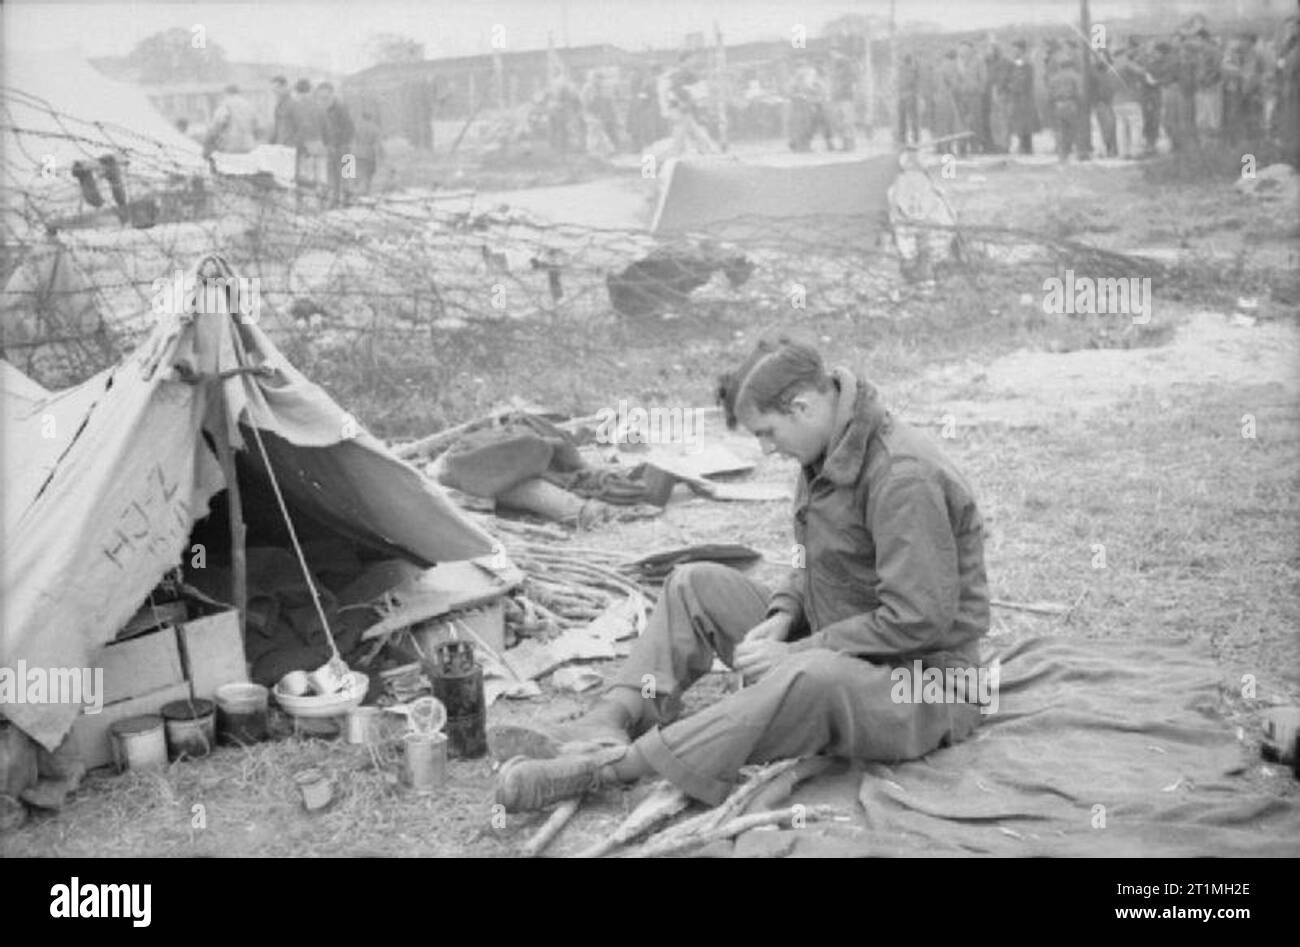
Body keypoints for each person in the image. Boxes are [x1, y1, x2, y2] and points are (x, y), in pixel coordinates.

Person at [493, 341, 990, 813]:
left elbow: (918, 620)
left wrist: (795, 651)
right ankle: (615, 715)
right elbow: (810, 559)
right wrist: (783, 613)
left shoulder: (901, 477)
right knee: (693, 582)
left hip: (927, 683)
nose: (767, 449)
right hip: (846, 638)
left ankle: (615, 767)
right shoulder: (826, 447)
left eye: (767, 433)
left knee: (810, 677)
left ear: (801, 406)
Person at [315, 82, 354, 207]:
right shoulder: (322, 111)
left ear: (332, 95)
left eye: (325, 98)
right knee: (332, 176)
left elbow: (350, 129)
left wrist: (342, 143)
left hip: (344, 147)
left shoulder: (342, 108)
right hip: (331, 148)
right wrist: (327, 144)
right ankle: (335, 200)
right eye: (320, 98)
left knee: (347, 175)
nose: (323, 101)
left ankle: (348, 201)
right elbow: (322, 130)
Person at [203, 84, 259, 158]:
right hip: (248, 144)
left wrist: (212, 138)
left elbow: (218, 123)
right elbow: (256, 124)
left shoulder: (226, 104)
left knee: (231, 168)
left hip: (230, 146)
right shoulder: (248, 105)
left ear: (226, 93)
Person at [1047, 56, 1083, 161]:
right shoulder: (1075, 76)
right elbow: (1080, 93)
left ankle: (1062, 155)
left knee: (1060, 131)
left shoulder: (1054, 78)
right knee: (1075, 129)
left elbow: (1049, 95)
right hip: (1071, 104)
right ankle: (1079, 153)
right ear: (1070, 66)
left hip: (1058, 105)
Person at [1007, 39, 1038, 154]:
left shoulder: (1025, 62)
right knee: (1020, 124)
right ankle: (1024, 146)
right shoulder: (1017, 62)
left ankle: (1026, 147)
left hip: (1024, 98)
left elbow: (1023, 80)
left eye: (1015, 49)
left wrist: (1011, 86)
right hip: (1019, 98)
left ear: (1021, 50)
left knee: (1025, 124)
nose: (1013, 51)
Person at [351, 109, 381, 195]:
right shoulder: (375, 128)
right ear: (370, 117)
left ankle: (356, 190)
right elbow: (377, 144)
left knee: (358, 173)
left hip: (358, 153)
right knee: (368, 174)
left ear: (363, 117)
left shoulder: (357, 127)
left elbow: (353, 140)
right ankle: (366, 191)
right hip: (369, 154)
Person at [896, 52, 921, 145]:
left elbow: (898, 83)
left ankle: (903, 138)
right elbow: (915, 81)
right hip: (910, 96)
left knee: (903, 119)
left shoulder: (901, 69)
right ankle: (915, 138)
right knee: (912, 118)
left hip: (903, 96)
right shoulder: (913, 69)